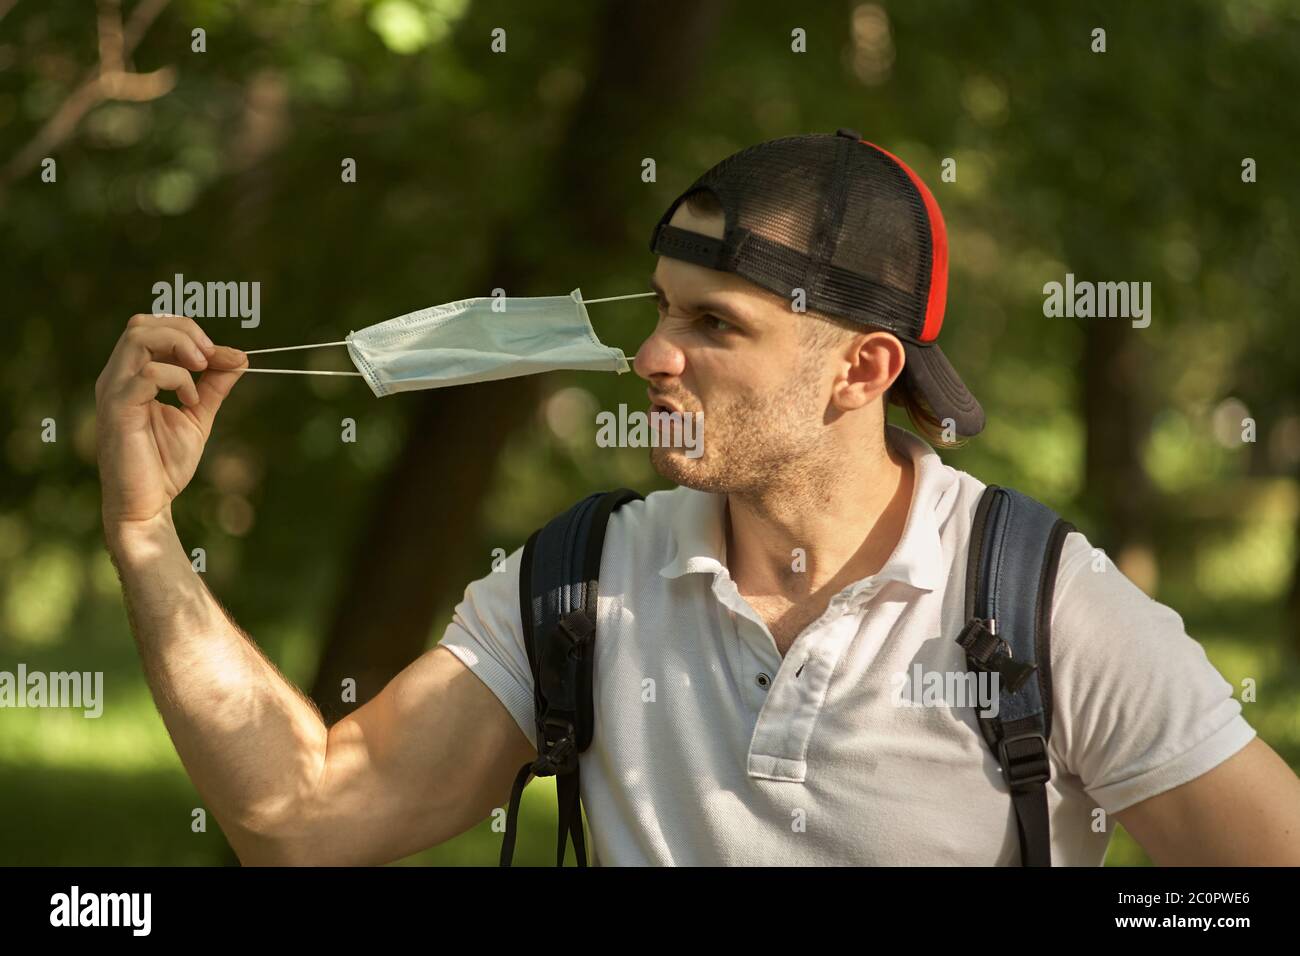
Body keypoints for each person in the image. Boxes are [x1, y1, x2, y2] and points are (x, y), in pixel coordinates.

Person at [95, 131, 1300, 866]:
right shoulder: (578, 582)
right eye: (661, 310)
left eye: (713, 324)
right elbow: (302, 818)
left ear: (863, 368)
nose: (652, 356)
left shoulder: (1044, 606)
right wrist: (147, 533)